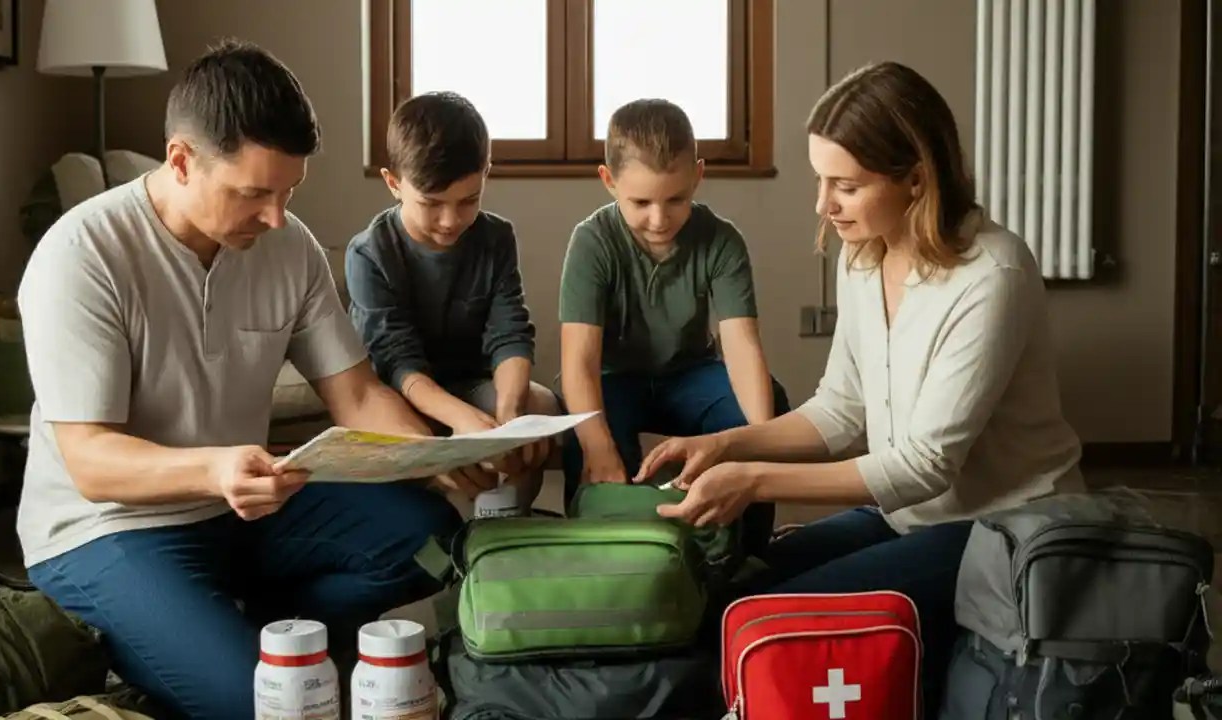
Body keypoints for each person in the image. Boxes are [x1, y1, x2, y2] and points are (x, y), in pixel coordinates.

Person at [16, 41, 489, 719]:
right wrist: (215, 471)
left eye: (287, 190)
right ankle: (210, 653)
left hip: (245, 508)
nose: (275, 216)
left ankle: (256, 634)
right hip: (103, 530)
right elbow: (90, 461)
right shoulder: (83, 254)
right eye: (253, 193)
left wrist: (438, 459)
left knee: (435, 541)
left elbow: (354, 394)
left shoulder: (288, 246)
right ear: (181, 161)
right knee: (267, 702)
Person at [639, 62, 1085, 714]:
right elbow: (842, 409)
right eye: (821, 180)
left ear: (915, 178)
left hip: (1004, 532)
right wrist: (726, 446)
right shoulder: (864, 251)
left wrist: (755, 481)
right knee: (729, 593)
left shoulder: (994, 275)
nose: (823, 204)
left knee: (775, 617)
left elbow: (927, 464)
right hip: (907, 516)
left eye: (845, 185)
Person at [558, 98, 789, 546]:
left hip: (689, 374)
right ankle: (597, 550)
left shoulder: (721, 240)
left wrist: (758, 446)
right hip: (613, 377)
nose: (659, 219)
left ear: (698, 176)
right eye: (641, 202)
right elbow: (579, 360)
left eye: (676, 199)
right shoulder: (591, 241)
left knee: (766, 405)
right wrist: (597, 445)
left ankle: (749, 555)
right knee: (582, 428)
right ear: (608, 181)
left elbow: (741, 347)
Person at [346, 91, 560, 514]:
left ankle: (503, 518)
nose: (450, 221)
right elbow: (396, 362)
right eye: (431, 204)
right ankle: (438, 514)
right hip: (400, 396)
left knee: (539, 406)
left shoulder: (496, 238)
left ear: (486, 175)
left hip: (471, 382)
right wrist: (462, 420)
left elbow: (510, 332)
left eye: (468, 201)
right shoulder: (369, 253)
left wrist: (511, 413)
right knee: (411, 454)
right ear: (394, 183)